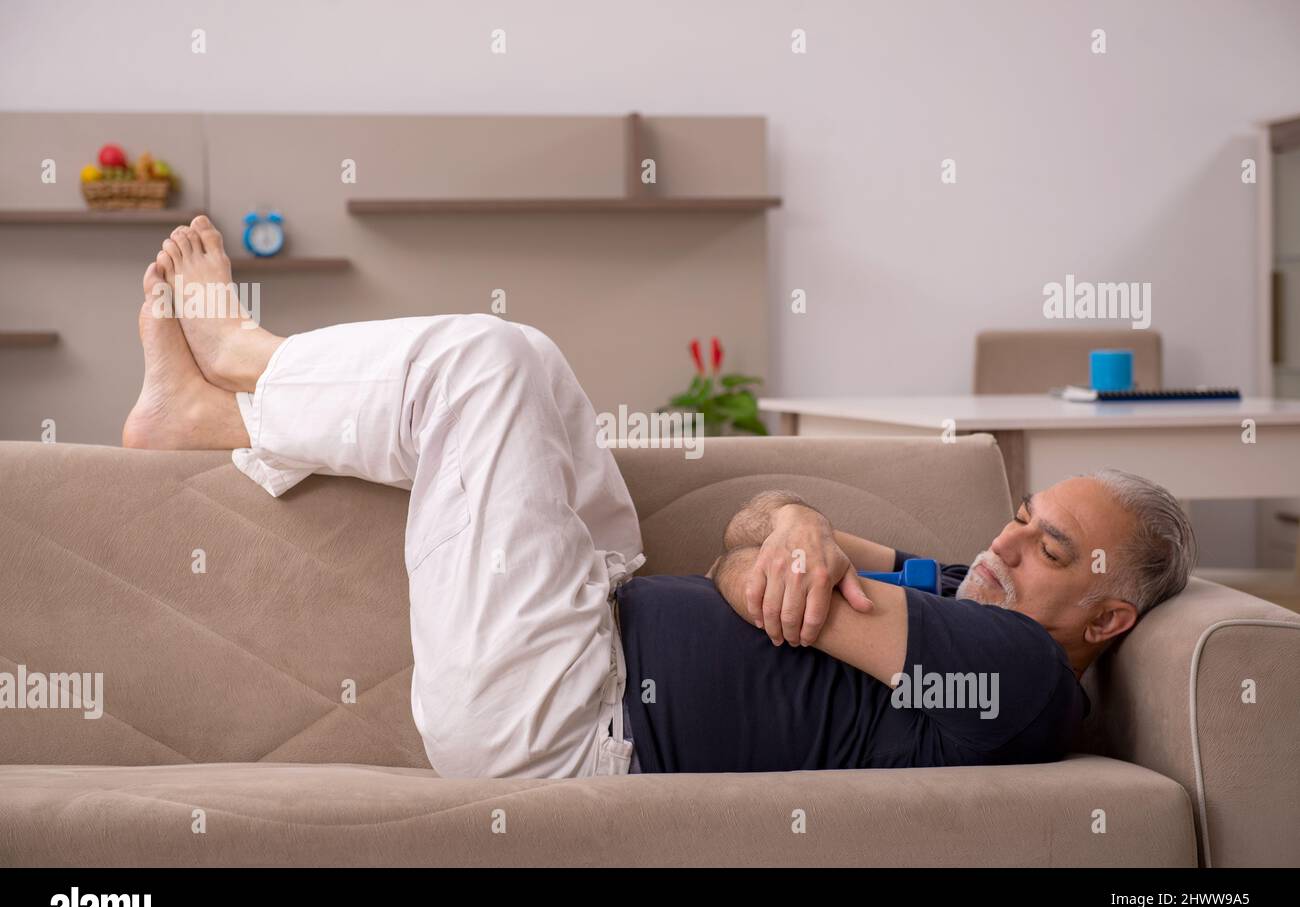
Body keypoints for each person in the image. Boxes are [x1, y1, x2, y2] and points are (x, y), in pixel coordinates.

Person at [122, 216, 1197, 779]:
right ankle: (209, 425)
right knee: (538, 366)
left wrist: (783, 556)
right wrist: (792, 522)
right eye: (1021, 514)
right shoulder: (958, 596)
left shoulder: (1015, 670)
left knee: (484, 365)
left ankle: (246, 351)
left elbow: (766, 592)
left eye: (1051, 548)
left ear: (1106, 619)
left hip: (563, 724)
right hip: (587, 638)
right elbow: (750, 546)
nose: (1008, 539)